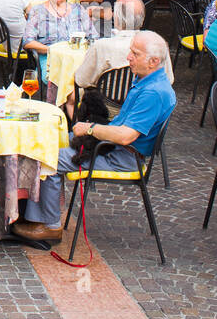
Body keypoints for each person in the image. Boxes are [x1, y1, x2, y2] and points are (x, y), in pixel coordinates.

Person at [11, 32, 176, 243]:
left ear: (153, 61)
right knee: (45, 144)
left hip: (120, 156)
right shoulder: (149, 79)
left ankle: (49, 225)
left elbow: (126, 136)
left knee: (46, 158)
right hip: (112, 147)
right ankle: (32, 212)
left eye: (135, 53)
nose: (128, 57)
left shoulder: (154, 92)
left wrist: (90, 129)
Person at [73, 0, 174, 87]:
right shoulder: (158, 44)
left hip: (107, 104)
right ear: (142, 19)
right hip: (145, 102)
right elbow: (169, 80)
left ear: (116, 18)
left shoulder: (101, 46)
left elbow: (82, 80)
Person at [22, 0, 96, 86]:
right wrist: (53, 50)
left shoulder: (79, 10)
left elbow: (93, 37)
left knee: (86, 78)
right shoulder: (38, 11)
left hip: (77, 60)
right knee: (67, 80)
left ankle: (71, 103)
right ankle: (69, 103)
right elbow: (27, 41)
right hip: (50, 59)